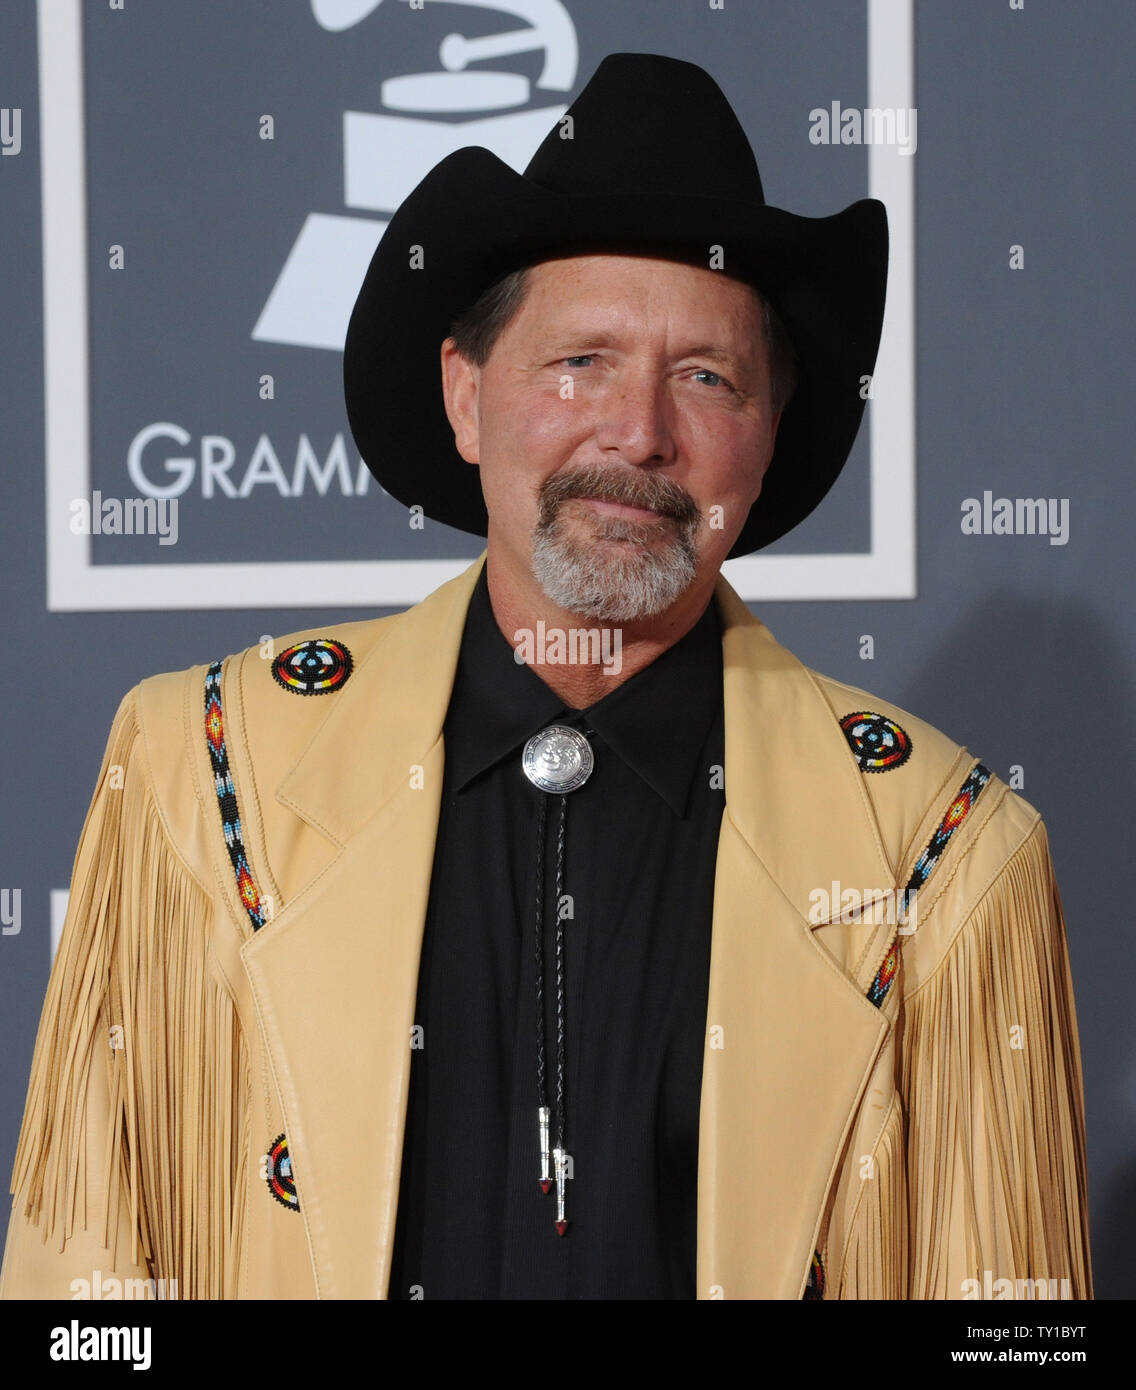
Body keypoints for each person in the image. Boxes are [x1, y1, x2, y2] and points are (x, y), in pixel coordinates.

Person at [0, 53, 1090, 1300]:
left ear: (768, 432)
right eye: (579, 361)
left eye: (705, 377)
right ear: (467, 397)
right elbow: (79, 1306)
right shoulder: (202, 767)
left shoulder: (943, 853)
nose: (637, 432)